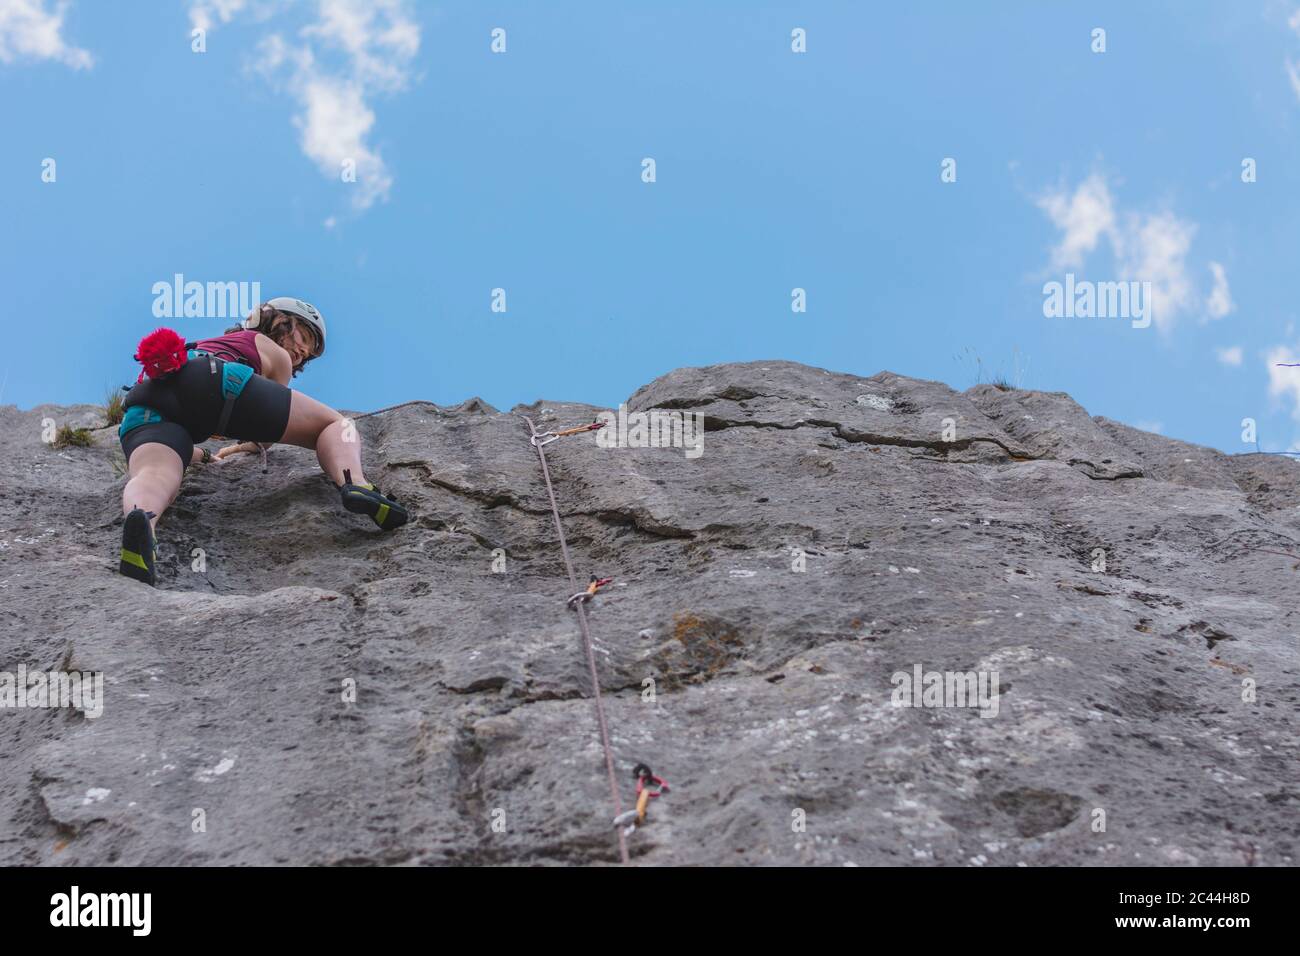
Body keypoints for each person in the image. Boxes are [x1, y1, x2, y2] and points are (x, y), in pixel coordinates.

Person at [117, 297, 408, 586]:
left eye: (309, 352)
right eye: (303, 336)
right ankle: (356, 484)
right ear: (273, 321)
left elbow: (182, 446)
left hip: (144, 404)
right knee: (335, 424)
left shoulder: (202, 347)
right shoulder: (263, 344)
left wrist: (206, 456)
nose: (304, 351)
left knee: (155, 474)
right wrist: (247, 447)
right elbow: (264, 429)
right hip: (219, 379)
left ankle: (143, 522)